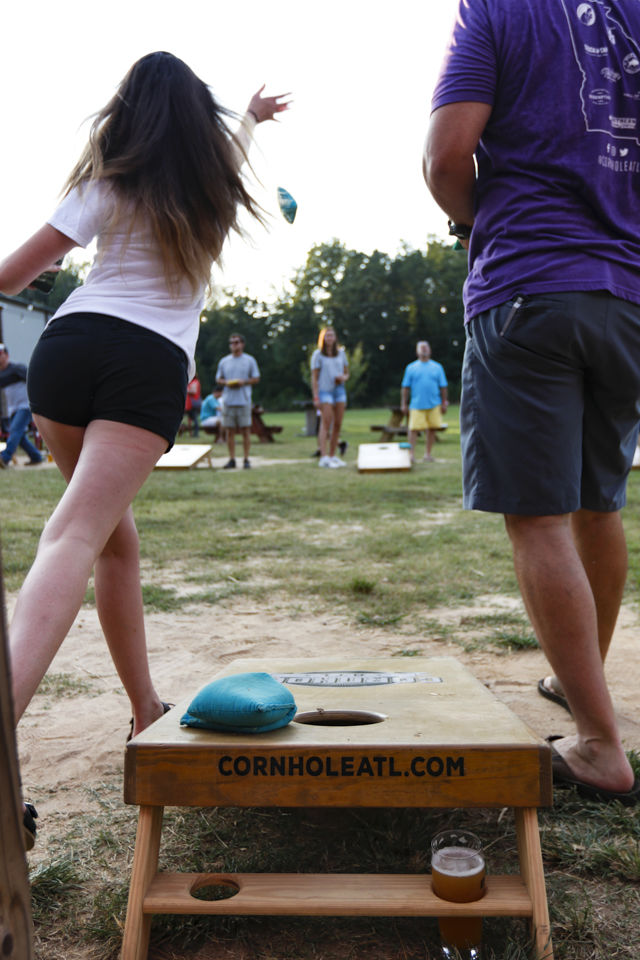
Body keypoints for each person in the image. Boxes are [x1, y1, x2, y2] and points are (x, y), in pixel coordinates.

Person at [0, 50, 289, 847]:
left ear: (127, 116)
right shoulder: (210, 195)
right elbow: (226, 154)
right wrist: (248, 123)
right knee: (75, 536)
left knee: (111, 541)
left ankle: (144, 709)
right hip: (143, 362)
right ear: (197, 127)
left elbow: (17, 271)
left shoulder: (107, 182)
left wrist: (249, 123)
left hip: (66, 349)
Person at [424, 0, 640, 804]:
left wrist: (487, 222)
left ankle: (597, 744)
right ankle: (579, 685)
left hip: (530, 282)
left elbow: (448, 157)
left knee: (541, 517)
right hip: (628, 297)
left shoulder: (500, 9)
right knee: (597, 501)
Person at [216, 333, 260, 468]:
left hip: (244, 400)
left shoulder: (249, 360)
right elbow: (218, 379)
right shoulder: (224, 361)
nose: (234, 345)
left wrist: (244, 382)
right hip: (229, 400)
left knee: (246, 430)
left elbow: (256, 378)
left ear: (242, 344)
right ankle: (232, 459)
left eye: (236, 342)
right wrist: (227, 382)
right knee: (229, 431)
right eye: (231, 343)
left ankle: (246, 459)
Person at [400, 340, 448, 463]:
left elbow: (443, 386)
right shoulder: (411, 367)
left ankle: (428, 454)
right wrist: (403, 403)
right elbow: (405, 387)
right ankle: (411, 455)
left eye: (426, 347)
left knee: (432, 429)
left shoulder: (437, 367)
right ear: (417, 351)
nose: (424, 349)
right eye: (421, 348)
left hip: (434, 404)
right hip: (416, 404)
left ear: (430, 350)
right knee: (413, 430)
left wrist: (444, 402)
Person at [311, 326, 349, 468]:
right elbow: (314, 377)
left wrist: (343, 378)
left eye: (332, 335)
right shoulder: (317, 355)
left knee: (338, 424)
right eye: (327, 336)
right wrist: (316, 397)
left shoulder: (341, 354)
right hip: (324, 391)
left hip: (339, 390)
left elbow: (347, 373)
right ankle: (323, 457)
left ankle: (333, 456)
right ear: (323, 338)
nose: (330, 338)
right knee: (326, 423)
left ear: (335, 338)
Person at [0, 344, 43, 468]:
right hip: (12, 409)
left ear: (6, 355)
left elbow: (33, 379)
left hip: (25, 406)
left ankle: (4, 458)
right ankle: (36, 457)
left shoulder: (17, 369)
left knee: (15, 430)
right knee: (20, 436)